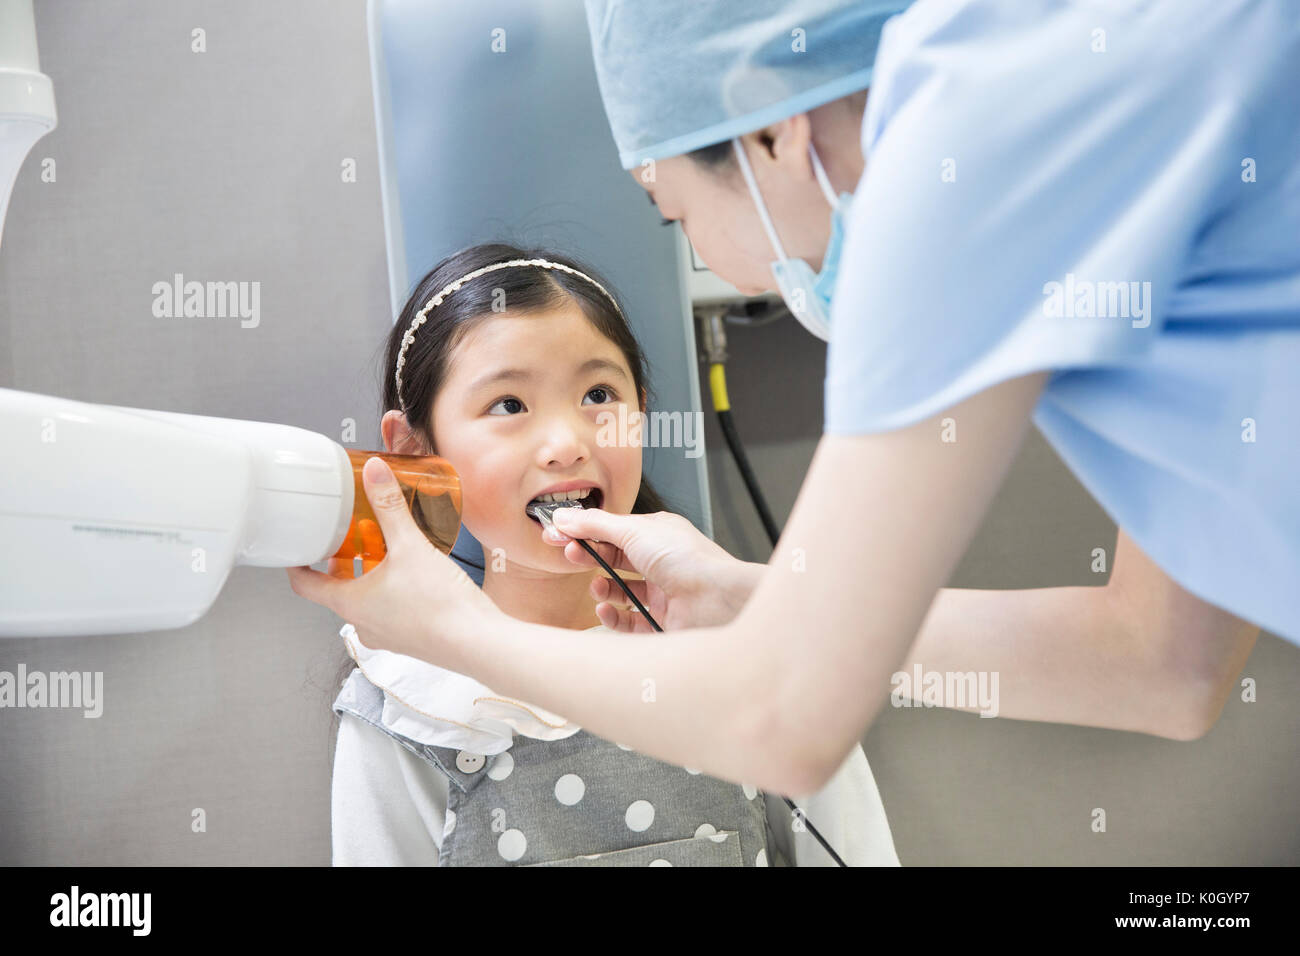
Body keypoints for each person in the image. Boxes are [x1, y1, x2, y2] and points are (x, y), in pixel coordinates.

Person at [290, 0, 1296, 798]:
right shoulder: (1062, 67)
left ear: (770, 128)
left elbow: (785, 718)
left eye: (675, 212)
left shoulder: (958, 149)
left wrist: (445, 628)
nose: (710, 255)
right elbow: (1161, 663)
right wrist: (747, 597)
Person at [329, 243, 897, 866]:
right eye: (509, 405)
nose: (567, 444)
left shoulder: (746, 650)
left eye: (599, 395)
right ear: (414, 448)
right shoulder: (407, 708)